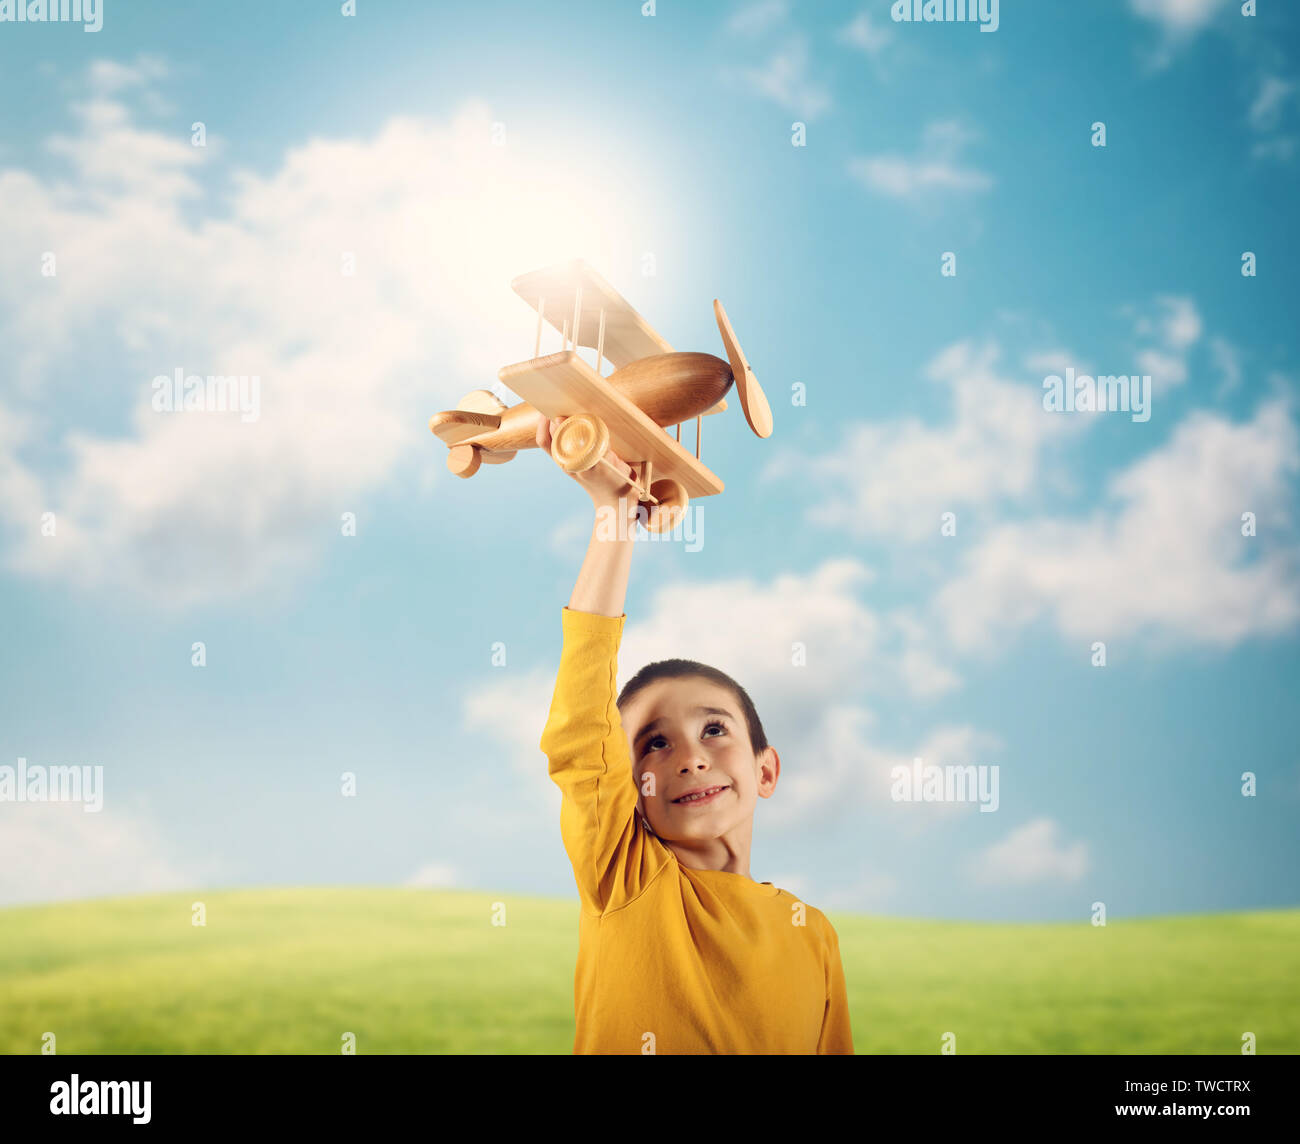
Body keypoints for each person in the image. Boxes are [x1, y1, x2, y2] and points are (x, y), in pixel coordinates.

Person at [536, 414, 854, 1055]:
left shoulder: (812, 933)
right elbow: (579, 729)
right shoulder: (625, 878)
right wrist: (615, 516)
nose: (689, 757)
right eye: (653, 742)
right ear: (629, 787)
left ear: (765, 770)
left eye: (714, 729)